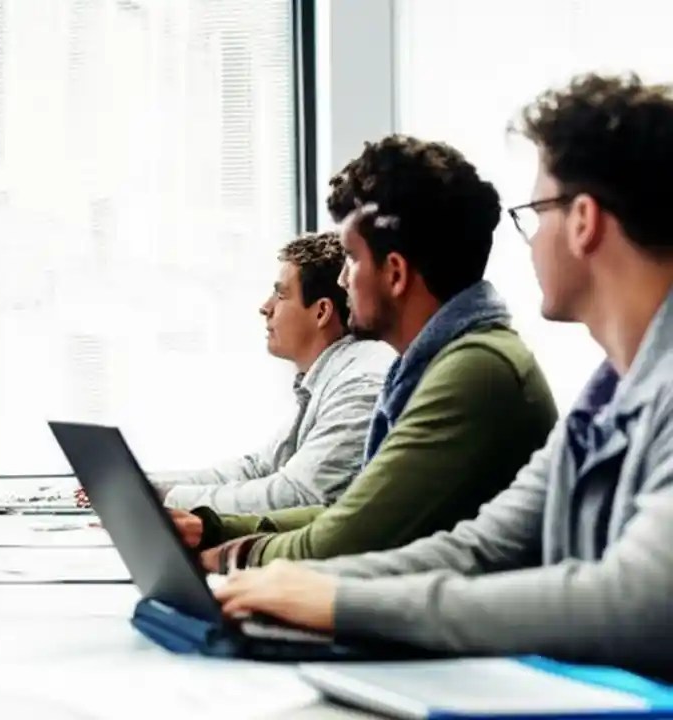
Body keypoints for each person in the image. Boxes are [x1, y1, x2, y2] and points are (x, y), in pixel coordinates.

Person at [212, 73, 673, 681]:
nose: (530, 241)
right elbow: (481, 548)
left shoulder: (492, 371)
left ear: (584, 221)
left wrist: (339, 601)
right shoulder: (605, 397)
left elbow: (634, 603)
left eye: (535, 213)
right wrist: (289, 582)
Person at [177, 135, 558, 570]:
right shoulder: (434, 365)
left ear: (394, 273)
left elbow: (347, 540)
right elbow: (355, 516)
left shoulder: (476, 371)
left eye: (352, 260)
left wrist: (227, 555)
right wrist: (212, 529)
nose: (341, 281)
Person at [147, 231, 394, 514]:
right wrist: (152, 487)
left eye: (280, 294)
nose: (265, 307)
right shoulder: (329, 377)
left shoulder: (361, 381)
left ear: (321, 312)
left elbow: (299, 495)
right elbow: (259, 467)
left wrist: (170, 500)